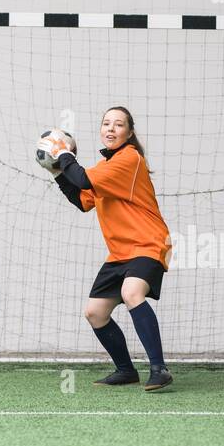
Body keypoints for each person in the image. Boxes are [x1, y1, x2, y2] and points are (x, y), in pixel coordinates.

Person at [42, 107, 174, 390]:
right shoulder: (105, 168)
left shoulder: (129, 158)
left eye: (118, 124)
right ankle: (126, 370)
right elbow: (82, 199)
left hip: (148, 243)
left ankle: (159, 369)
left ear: (129, 133)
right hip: (120, 253)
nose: (111, 129)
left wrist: (63, 152)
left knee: (131, 292)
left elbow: (83, 179)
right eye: (106, 124)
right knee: (95, 312)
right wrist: (56, 172)